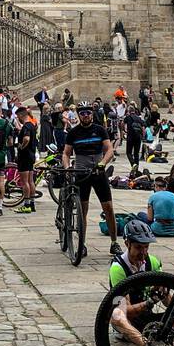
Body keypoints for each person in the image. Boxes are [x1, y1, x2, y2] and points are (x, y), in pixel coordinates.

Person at [108, 219, 174, 346]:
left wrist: (166, 295)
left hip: (152, 324)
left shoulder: (153, 262)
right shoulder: (118, 269)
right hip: (131, 323)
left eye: (146, 247)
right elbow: (126, 312)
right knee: (116, 316)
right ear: (127, 244)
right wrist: (149, 302)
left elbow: (168, 303)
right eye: (138, 247)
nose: (143, 252)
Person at [62, 101, 119, 254]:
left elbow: (109, 150)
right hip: (81, 173)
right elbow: (66, 153)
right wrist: (67, 167)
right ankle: (82, 243)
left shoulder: (100, 130)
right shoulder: (74, 132)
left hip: (98, 172)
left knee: (108, 208)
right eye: (82, 113)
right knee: (83, 211)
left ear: (92, 114)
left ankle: (114, 242)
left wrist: (103, 163)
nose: (86, 115)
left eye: (88, 113)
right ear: (79, 115)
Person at [13, 105, 38, 212]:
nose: (17, 118)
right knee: (31, 181)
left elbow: (26, 139)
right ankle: (32, 204)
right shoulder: (32, 125)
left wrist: (21, 147)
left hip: (25, 156)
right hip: (31, 155)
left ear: (20, 115)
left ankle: (26, 205)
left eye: (17, 116)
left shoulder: (26, 127)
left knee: (24, 181)